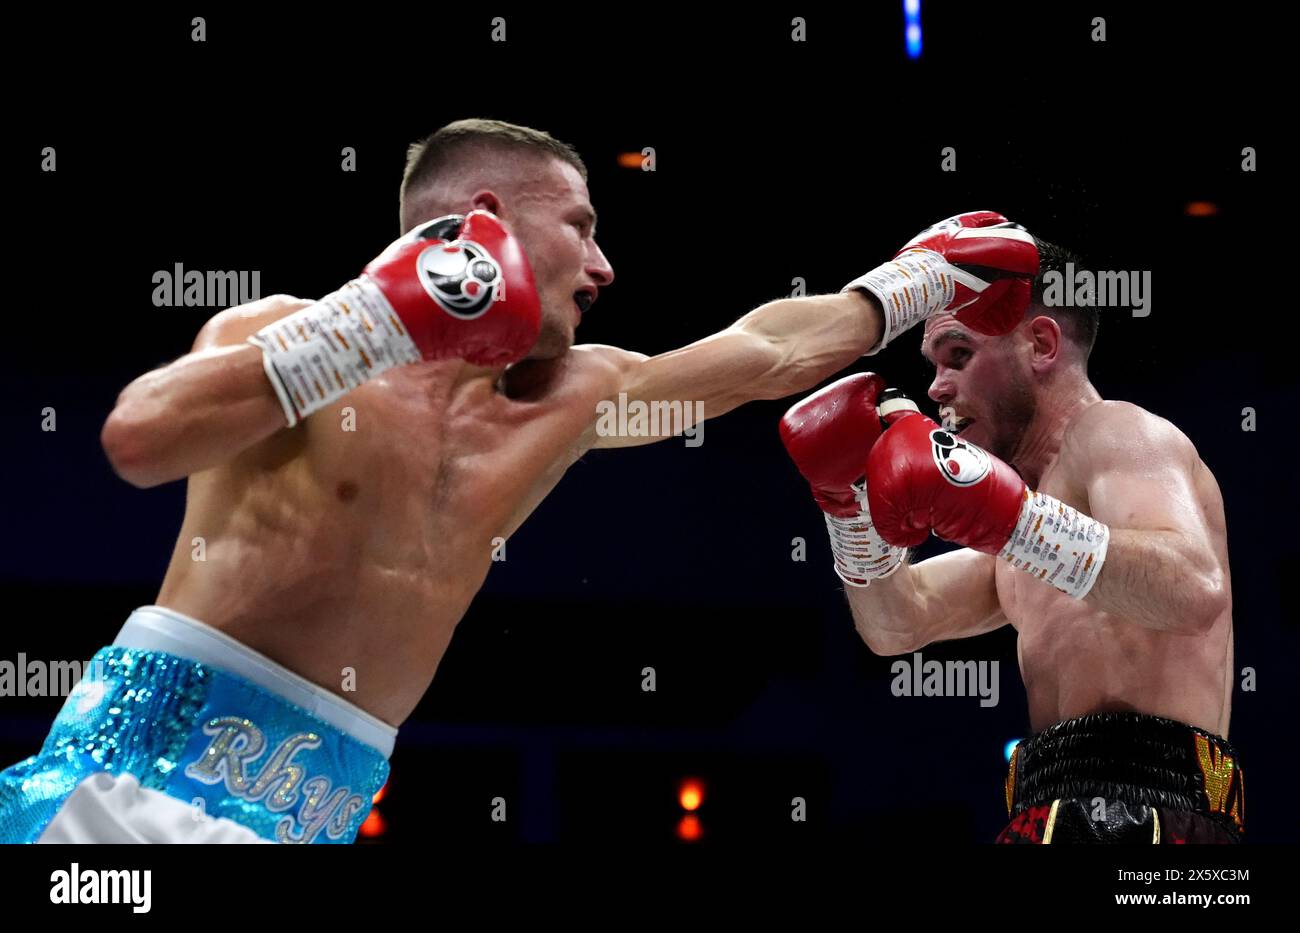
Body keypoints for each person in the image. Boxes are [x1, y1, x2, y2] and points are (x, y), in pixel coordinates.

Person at [2, 121, 1016, 843]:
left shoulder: (572, 398)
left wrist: (916, 282)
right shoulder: (278, 330)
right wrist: (379, 320)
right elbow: (139, 438)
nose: (604, 264)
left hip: (318, 805)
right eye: (580, 224)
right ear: (484, 216)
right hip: (139, 778)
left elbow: (760, 354)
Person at [781, 224, 1242, 843]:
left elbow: (1195, 588)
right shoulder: (1028, 527)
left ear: (1042, 344)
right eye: (934, 365)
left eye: (959, 355)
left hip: (1158, 810)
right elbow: (895, 624)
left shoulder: (1117, 433)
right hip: (1040, 807)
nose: (936, 388)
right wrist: (846, 508)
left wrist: (1013, 521)